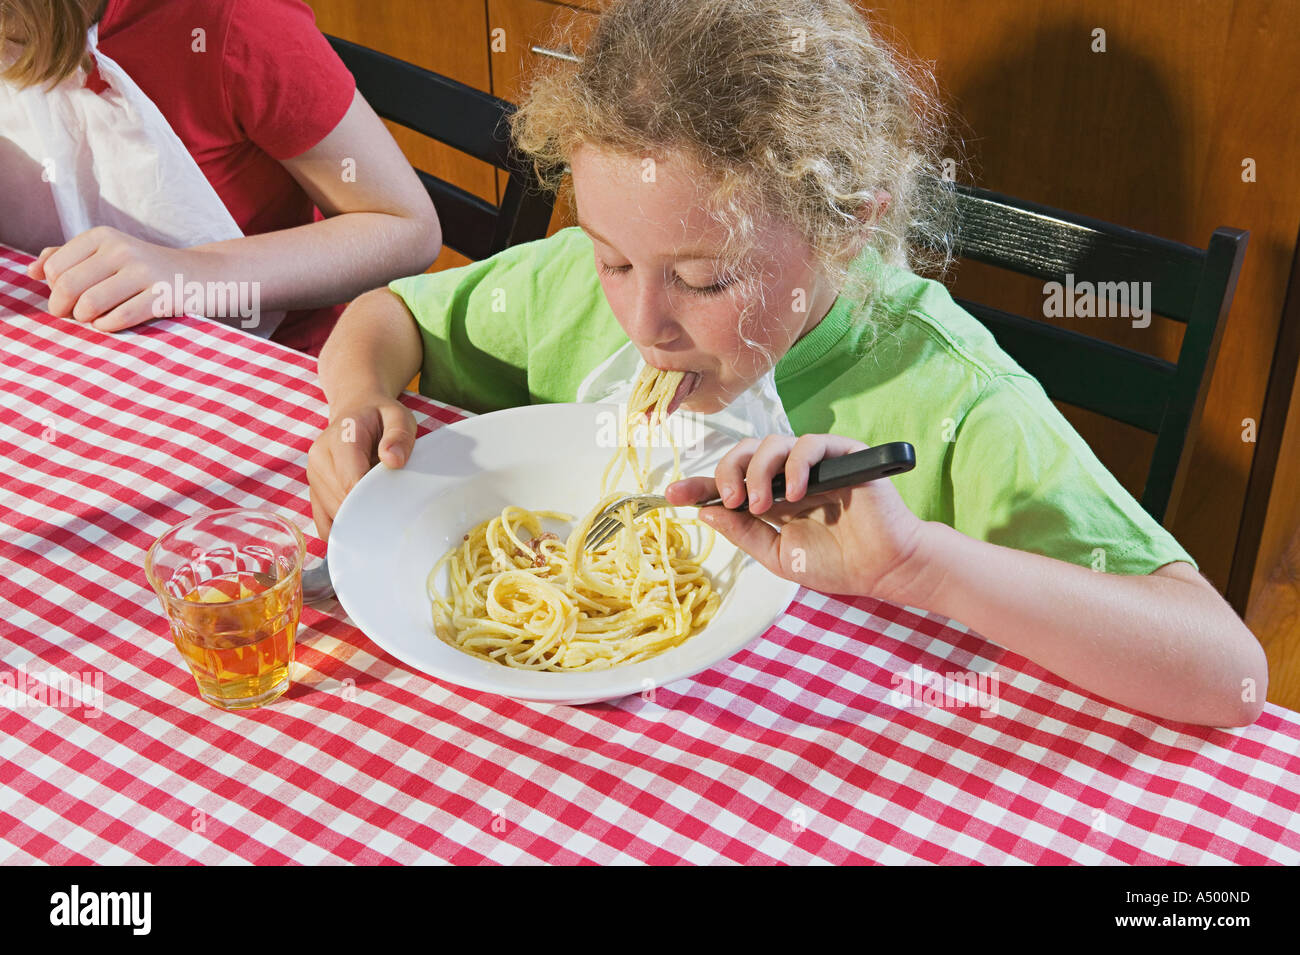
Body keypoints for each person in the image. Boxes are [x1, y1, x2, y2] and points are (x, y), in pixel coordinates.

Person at [306, 0, 1267, 728]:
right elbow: (386, 316)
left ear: (845, 224)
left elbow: (1227, 672)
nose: (644, 322)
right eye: (612, 257)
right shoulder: (569, 282)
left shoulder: (954, 399)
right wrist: (357, 399)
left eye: (706, 279)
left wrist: (922, 566)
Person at [1, 0, 441, 355]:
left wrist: (187, 274)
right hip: (73, 351)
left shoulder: (232, 20)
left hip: (265, 366)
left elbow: (406, 228)